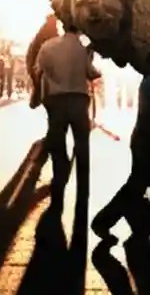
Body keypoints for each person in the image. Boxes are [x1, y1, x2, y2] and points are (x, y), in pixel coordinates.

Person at [93, 50, 150, 248]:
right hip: (147, 145)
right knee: (138, 187)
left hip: (147, 143)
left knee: (146, 186)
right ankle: (103, 222)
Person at [35, 23, 101, 205]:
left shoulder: (48, 46)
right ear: (79, 29)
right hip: (78, 101)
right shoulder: (82, 49)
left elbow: (39, 70)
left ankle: (59, 176)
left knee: (58, 141)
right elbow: (91, 73)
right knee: (82, 142)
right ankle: (83, 181)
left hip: (56, 100)